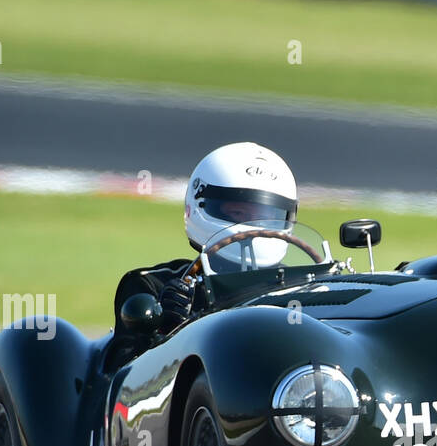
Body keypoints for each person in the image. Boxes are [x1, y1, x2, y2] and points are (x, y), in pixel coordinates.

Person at [112, 142, 299, 335]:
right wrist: (165, 331)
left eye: (265, 217)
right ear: (199, 203)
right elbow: (125, 361)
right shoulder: (152, 287)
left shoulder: (303, 289)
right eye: (237, 212)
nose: (252, 227)